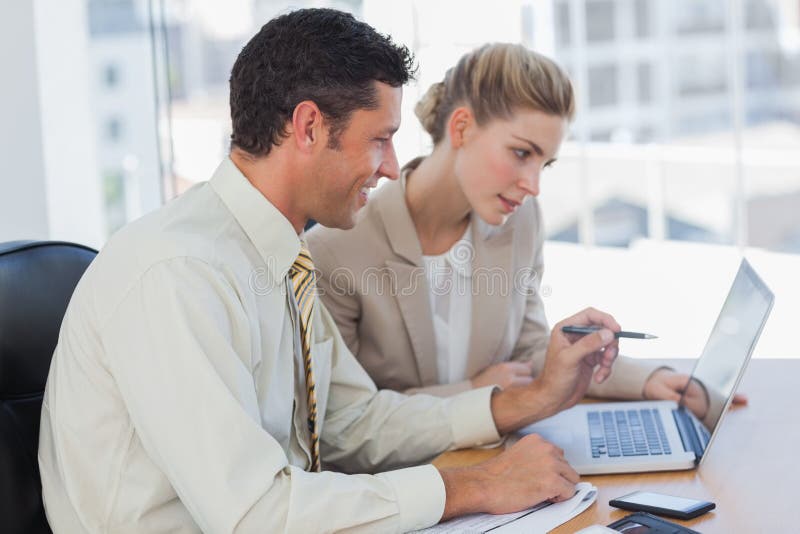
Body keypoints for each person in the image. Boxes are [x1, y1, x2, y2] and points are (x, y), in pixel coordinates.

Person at [38, 10, 629, 533]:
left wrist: (526, 402)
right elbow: (255, 514)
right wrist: (473, 487)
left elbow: (355, 421)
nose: (393, 168)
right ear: (309, 127)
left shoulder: (278, 258)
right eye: (380, 140)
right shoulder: (178, 274)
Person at [306, 43, 734, 406]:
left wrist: (646, 380)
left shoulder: (519, 220)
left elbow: (527, 354)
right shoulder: (335, 249)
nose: (532, 186)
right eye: (521, 153)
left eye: (544, 164)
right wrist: (474, 394)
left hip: (504, 464)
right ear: (462, 128)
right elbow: (347, 418)